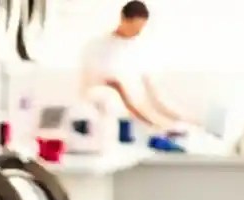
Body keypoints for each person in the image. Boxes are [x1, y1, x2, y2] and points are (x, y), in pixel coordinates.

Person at [80, 1, 193, 130]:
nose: (137, 33)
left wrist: (185, 119)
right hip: (109, 118)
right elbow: (114, 91)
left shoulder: (140, 49)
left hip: (139, 117)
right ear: (123, 19)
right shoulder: (98, 47)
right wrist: (152, 122)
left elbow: (155, 93)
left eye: (140, 29)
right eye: (134, 28)